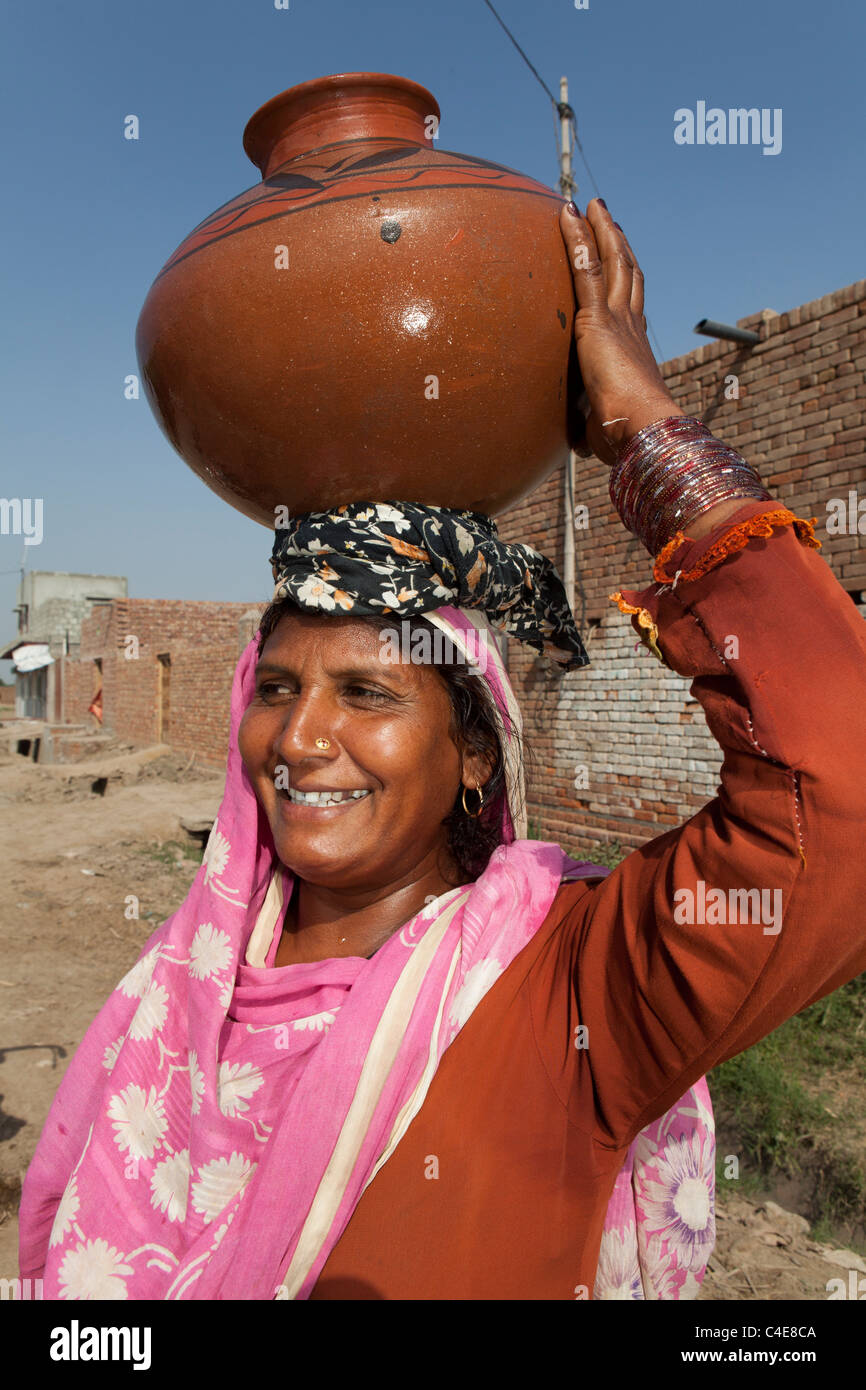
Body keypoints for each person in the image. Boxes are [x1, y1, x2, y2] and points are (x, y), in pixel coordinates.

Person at [18, 200, 866, 1300]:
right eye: (275, 687)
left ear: (475, 752)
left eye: (366, 690)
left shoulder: (569, 986)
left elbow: (835, 786)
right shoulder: (178, 997)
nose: (302, 736)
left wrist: (638, 429)